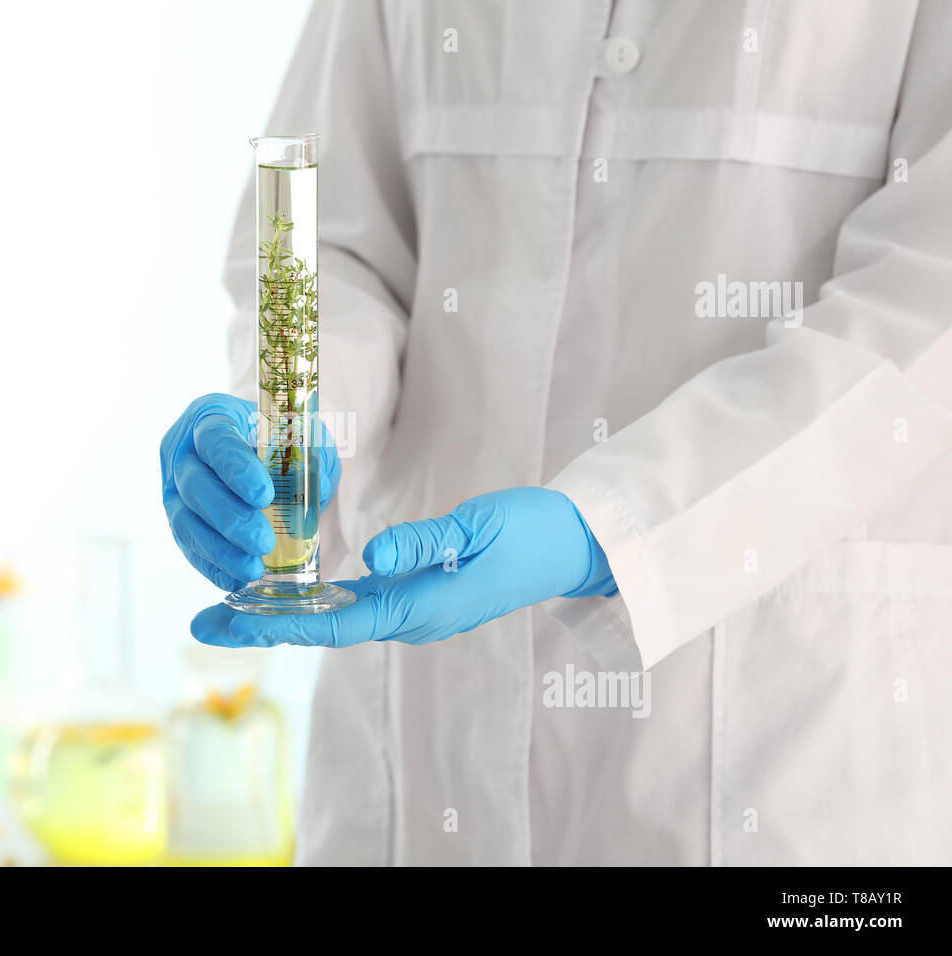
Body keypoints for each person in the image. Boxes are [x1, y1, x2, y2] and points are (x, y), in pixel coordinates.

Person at [160, 0, 952, 865]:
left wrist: (615, 528)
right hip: (418, 764)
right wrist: (297, 419)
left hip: (772, 773)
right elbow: (333, 241)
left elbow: (925, 302)